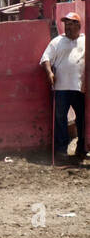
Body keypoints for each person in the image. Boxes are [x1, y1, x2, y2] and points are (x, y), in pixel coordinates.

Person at [40, 11, 85, 162]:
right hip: (61, 88)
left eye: (71, 24)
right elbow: (45, 58)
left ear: (79, 25)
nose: (68, 27)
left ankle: (82, 148)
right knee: (60, 119)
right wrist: (49, 73)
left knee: (82, 120)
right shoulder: (57, 41)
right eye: (66, 24)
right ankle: (61, 150)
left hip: (81, 88)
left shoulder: (85, 40)